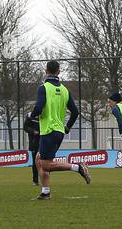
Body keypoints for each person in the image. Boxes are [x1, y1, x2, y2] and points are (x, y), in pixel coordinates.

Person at [27, 60, 90, 200]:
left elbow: (39, 106)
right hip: (59, 131)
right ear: (59, 72)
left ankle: (78, 168)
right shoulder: (64, 90)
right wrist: (67, 127)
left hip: (49, 130)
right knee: (39, 159)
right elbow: (75, 112)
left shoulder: (43, 88)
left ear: (46, 71)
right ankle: (45, 191)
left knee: (46, 165)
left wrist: (31, 115)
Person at [23, 113, 41, 186]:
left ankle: (46, 180)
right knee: (35, 162)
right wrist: (33, 131)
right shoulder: (30, 115)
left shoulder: (47, 113)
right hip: (34, 143)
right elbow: (25, 127)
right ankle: (35, 181)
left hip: (44, 141)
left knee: (46, 162)